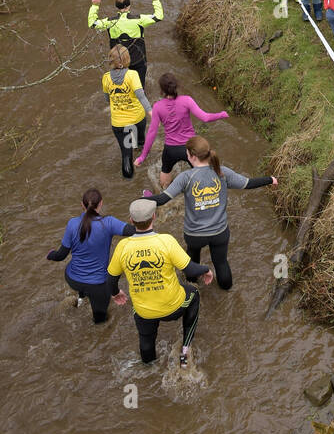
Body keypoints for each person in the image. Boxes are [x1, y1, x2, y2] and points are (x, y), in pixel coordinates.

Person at [145, 135, 277, 291]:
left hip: (194, 234)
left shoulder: (185, 177)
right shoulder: (222, 172)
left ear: (191, 156)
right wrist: (270, 179)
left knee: (191, 262)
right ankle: (227, 291)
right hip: (219, 232)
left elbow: (162, 199)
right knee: (221, 263)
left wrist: (143, 200)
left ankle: (193, 288)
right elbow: (248, 184)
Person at [107, 198, 213, 367]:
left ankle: (148, 369)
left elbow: (110, 279)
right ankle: (185, 350)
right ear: (154, 217)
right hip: (173, 306)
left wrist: (115, 293)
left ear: (131, 220)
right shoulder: (166, 241)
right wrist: (206, 270)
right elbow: (191, 270)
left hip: (144, 311)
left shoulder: (123, 247)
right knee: (193, 295)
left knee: (146, 338)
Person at [46, 189, 133, 324]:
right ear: (101, 204)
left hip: (72, 279)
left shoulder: (72, 224)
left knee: (84, 287)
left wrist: (50, 255)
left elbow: (61, 255)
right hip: (97, 285)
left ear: (82, 204)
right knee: (100, 322)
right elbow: (133, 231)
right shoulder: (108, 223)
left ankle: (81, 298)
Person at [134, 72, 228, 186]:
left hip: (170, 149)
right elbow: (205, 117)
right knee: (204, 177)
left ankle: (166, 197)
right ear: (176, 86)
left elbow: (152, 133)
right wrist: (222, 114)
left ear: (162, 90)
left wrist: (142, 157)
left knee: (165, 175)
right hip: (191, 147)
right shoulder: (187, 100)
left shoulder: (157, 106)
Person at [88, 0, 164, 89]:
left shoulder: (110, 22)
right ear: (129, 6)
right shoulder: (139, 19)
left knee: (121, 88)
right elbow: (159, 16)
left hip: (119, 62)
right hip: (138, 60)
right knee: (139, 88)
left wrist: (95, 6)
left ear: (116, 7)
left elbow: (92, 23)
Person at [102, 44, 153, 178]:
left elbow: (107, 99)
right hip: (137, 119)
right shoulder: (132, 75)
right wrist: (151, 112)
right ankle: (142, 159)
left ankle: (129, 180)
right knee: (140, 142)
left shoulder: (106, 78)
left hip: (119, 124)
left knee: (126, 154)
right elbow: (141, 96)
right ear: (127, 59)